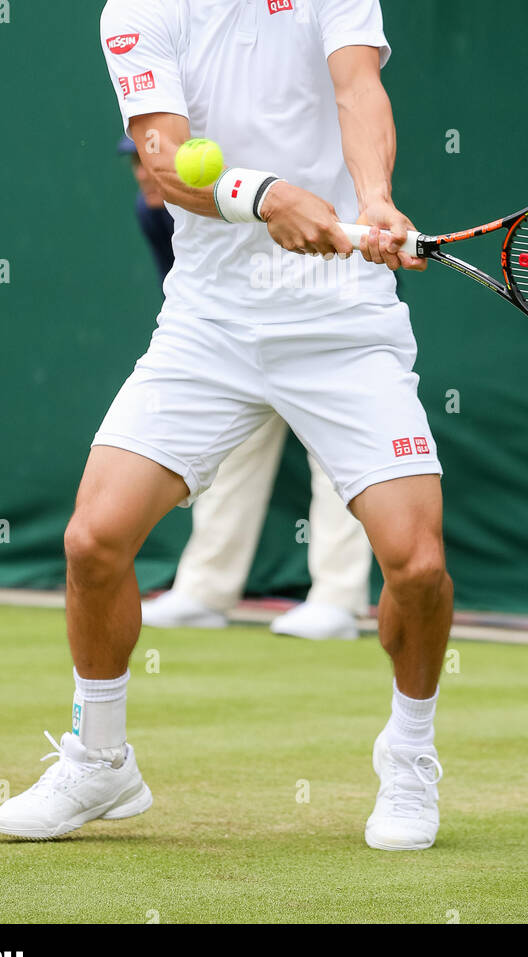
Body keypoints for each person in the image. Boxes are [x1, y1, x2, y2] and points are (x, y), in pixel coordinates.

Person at [0, 0, 453, 851]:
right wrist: (263, 195)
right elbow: (162, 159)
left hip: (342, 314)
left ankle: (411, 753)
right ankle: (100, 763)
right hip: (209, 318)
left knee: (416, 565)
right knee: (94, 539)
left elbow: (357, 92)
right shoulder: (139, 0)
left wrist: (371, 200)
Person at [117, 132, 373, 639]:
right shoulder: (153, 214)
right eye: (137, 164)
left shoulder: (276, 199)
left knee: (339, 462)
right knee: (231, 461)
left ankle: (339, 601)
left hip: (326, 317)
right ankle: (203, 593)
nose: (145, 173)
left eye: (150, 161)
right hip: (235, 333)